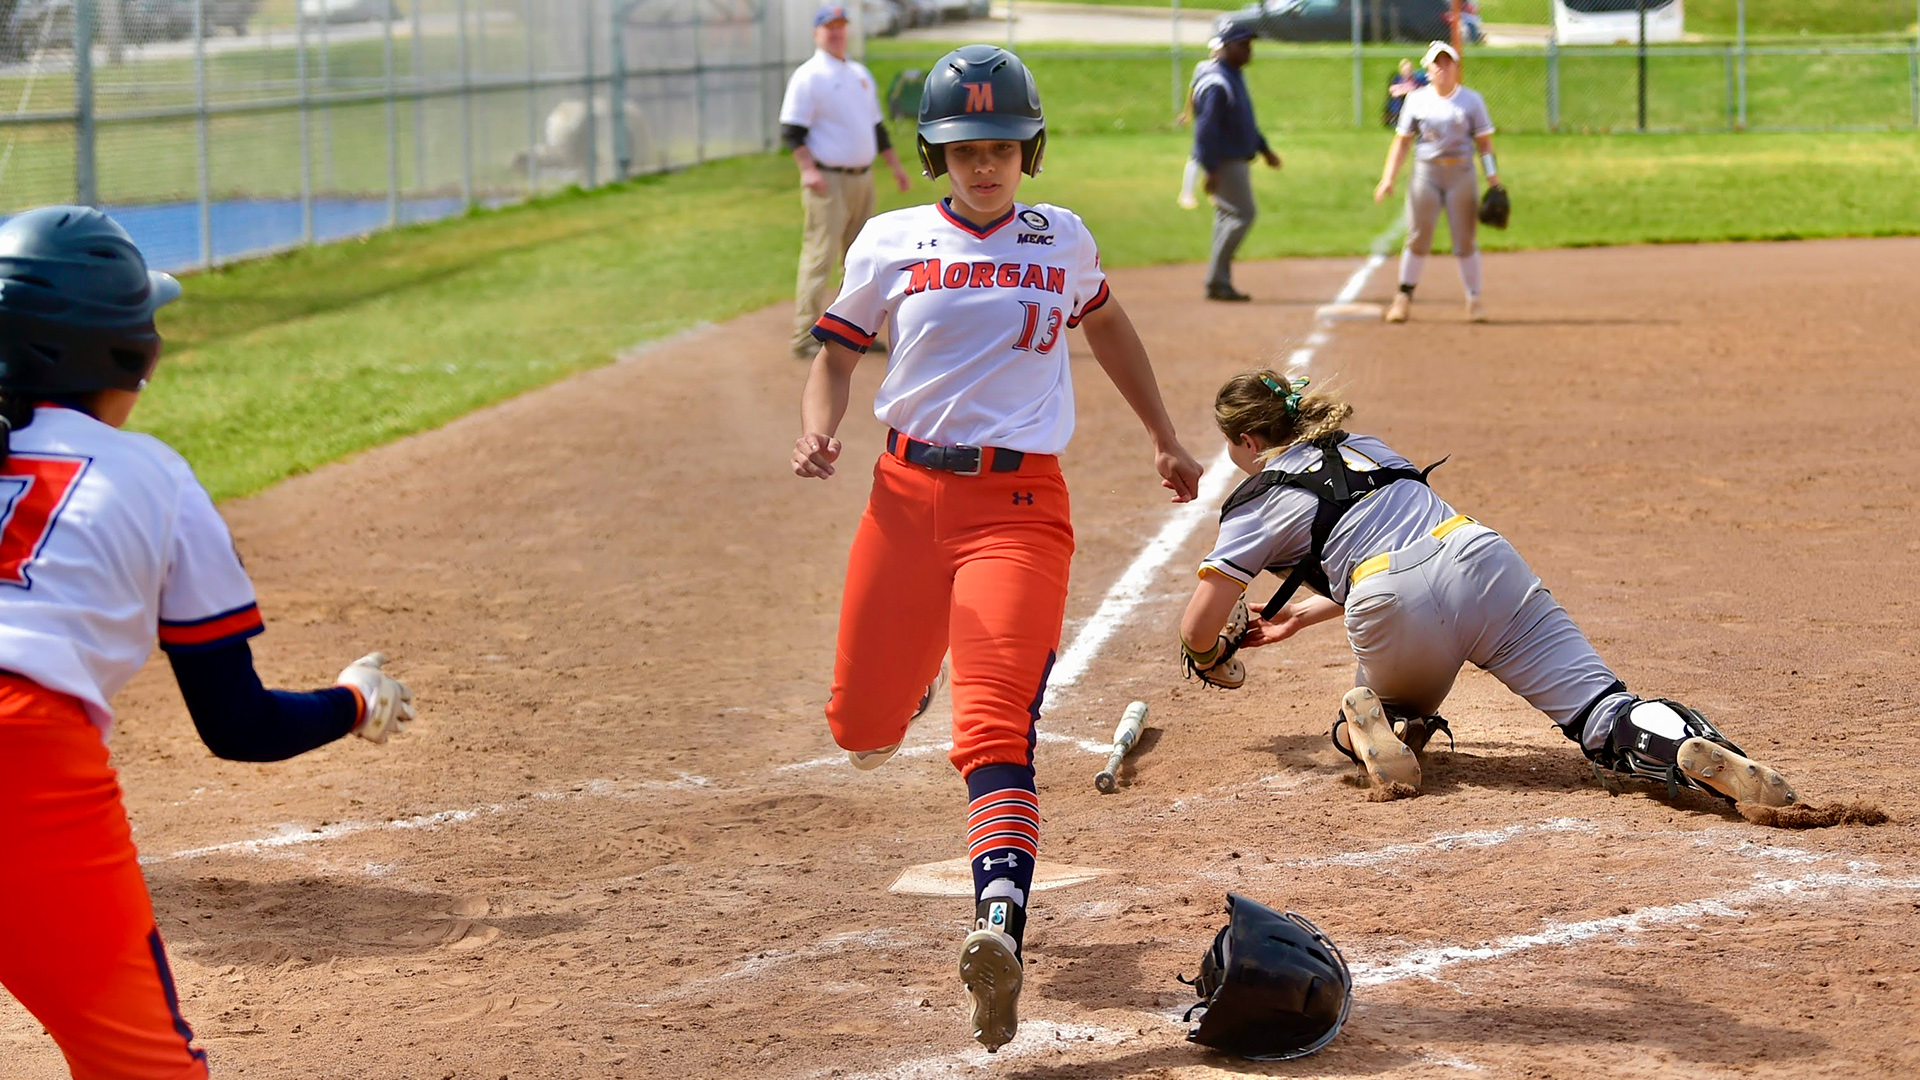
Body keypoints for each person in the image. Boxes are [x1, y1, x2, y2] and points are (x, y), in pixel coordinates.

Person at [791, 45, 1204, 1052]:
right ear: (936, 154)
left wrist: (1162, 434)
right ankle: (915, 671)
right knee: (862, 730)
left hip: (1019, 508)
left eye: (1004, 147)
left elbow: (1108, 331)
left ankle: (999, 926)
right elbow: (837, 351)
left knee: (993, 724)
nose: (986, 165)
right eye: (965, 148)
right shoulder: (890, 240)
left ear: (1031, 147)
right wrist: (820, 424)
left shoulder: (1060, 238)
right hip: (901, 499)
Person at [0, 206, 417, 1079]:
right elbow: (237, 724)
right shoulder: (150, 474)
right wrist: (352, 703)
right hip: (25, 760)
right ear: (125, 354)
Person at [1177, 370, 1798, 810]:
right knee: (1602, 708)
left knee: (1392, 708)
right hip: (1481, 559)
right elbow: (1400, 539)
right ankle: (1683, 742)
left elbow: (1199, 629)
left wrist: (1208, 656)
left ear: (1250, 442)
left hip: (1388, 601)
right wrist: (1298, 618)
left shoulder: (1258, 502)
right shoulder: (1367, 448)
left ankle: (1382, 724)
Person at [779, 3, 913, 360]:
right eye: (829, 26)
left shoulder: (858, 73)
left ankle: (849, 333)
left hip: (862, 178)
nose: (836, 32)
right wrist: (808, 170)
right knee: (820, 256)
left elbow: (877, 129)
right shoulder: (809, 75)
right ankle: (803, 335)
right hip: (828, 179)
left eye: (840, 25)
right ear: (816, 33)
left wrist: (896, 167)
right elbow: (792, 131)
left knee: (859, 259)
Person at [1374, 41, 1501, 324]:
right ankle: (1403, 298)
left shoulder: (1471, 100)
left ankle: (1474, 300)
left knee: (1465, 240)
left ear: (1456, 67)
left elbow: (1484, 144)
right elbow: (1402, 143)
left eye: (1448, 63)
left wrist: (1494, 180)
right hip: (1426, 174)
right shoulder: (1417, 100)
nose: (1442, 68)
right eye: (1437, 63)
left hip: (1461, 174)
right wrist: (1388, 178)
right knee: (1418, 237)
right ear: (1428, 69)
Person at [1191, 23, 1281, 302]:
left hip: (1233, 158)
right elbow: (1206, 130)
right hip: (1226, 162)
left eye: (1249, 44)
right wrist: (1211, 168)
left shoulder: (1231, 76)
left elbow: (1242, 122)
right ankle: (1216, 279)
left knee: (1227, 217)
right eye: (1242, 45)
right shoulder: (1218, 82)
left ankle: (1219, 281)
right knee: (1243, 214)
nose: (1248, 50)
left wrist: (1264, 149)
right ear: (1224, 47)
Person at [1175, 37, 1226, 211]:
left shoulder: (1229, 70)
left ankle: (1214, 193)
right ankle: (1186, 194)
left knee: (1219, 155)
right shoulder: (1203, 67)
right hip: (1205, 117)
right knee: (1198, 154)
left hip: (1222, 120)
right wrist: (1186, 113)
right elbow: (1193, 90)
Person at [1382, 58, 1427, 129]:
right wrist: (1404, 90)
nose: (1407, 71)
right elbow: (1393, 90)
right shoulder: (1398, 79)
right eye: (1405, 69)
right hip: (1400, 105)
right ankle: (1396, 119)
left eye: (1409, 69)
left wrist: (1406, 90)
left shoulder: (1417, 79)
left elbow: (1420, 88)